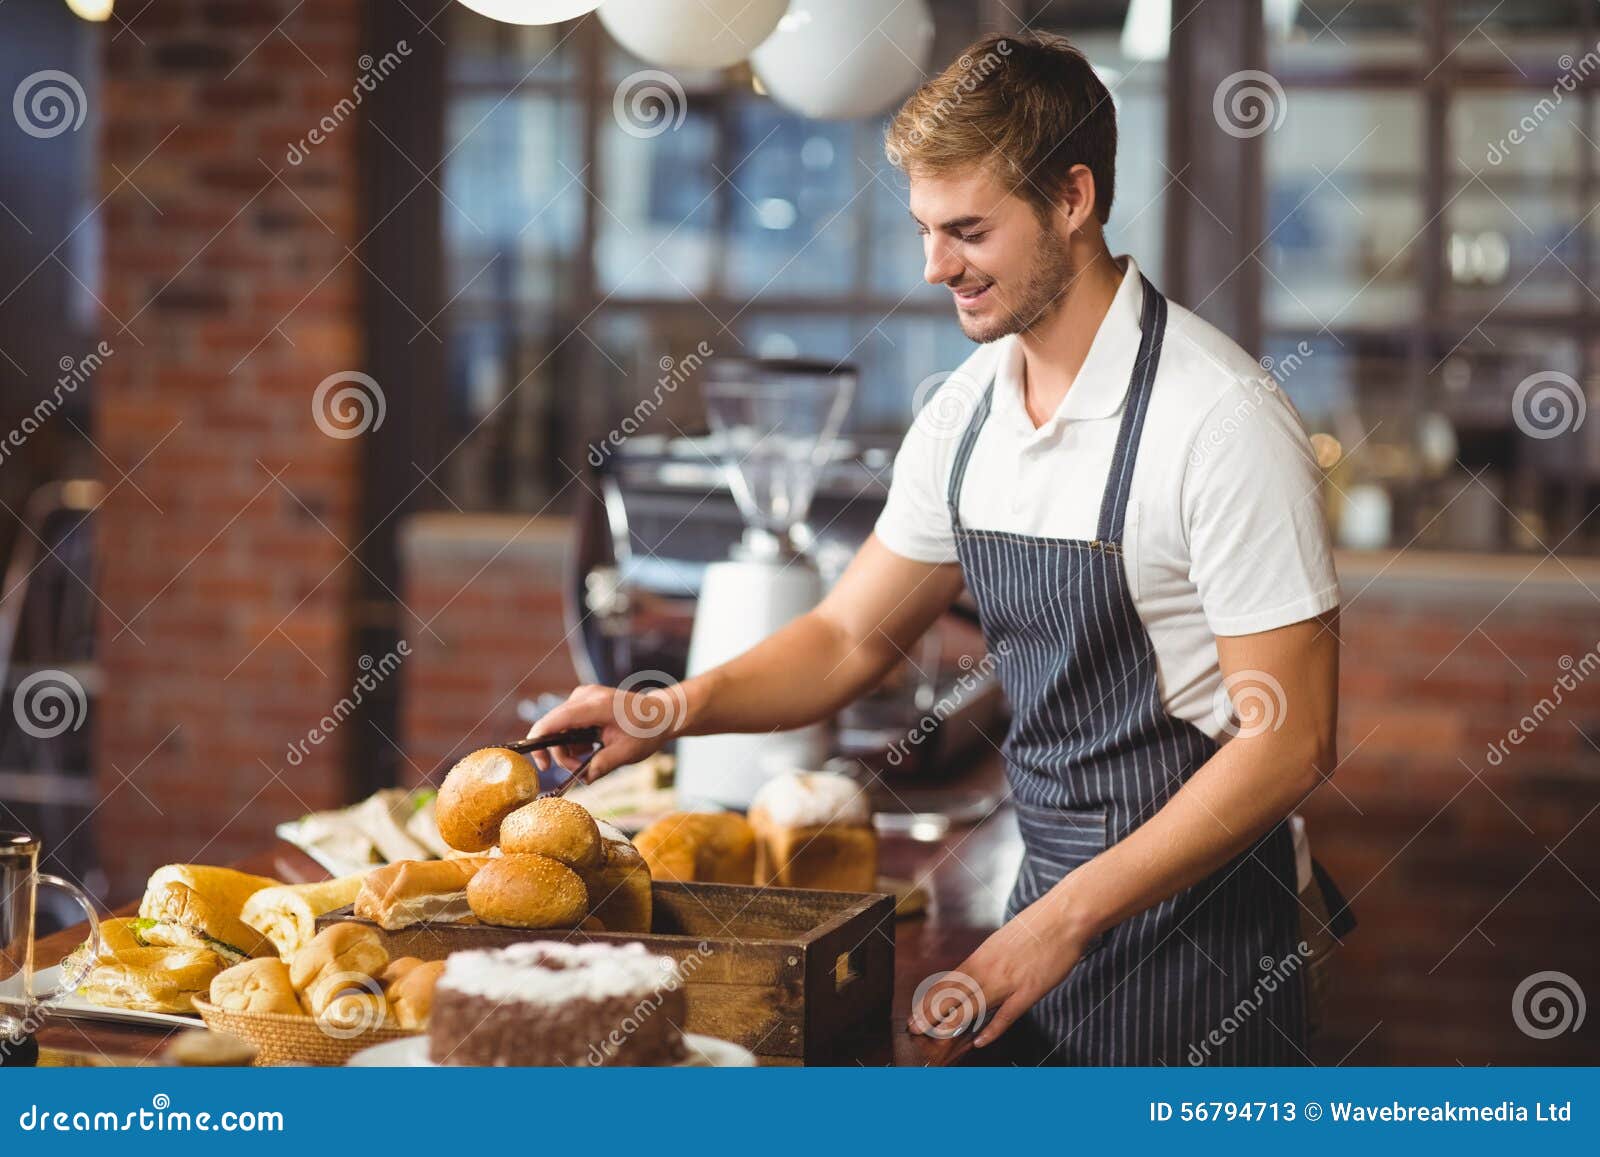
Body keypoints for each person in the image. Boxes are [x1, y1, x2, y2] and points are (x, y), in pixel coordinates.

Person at [526, 31, 1341, 1066]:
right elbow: (844, 636)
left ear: (1073, 197)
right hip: (1040, 898)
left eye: (966, 230)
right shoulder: (967, 412)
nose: (933, 266)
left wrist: (1061, 923)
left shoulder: (1219, 420)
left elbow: (1291, 739)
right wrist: (664, 709)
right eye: (922, 228)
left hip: (1206, 944)